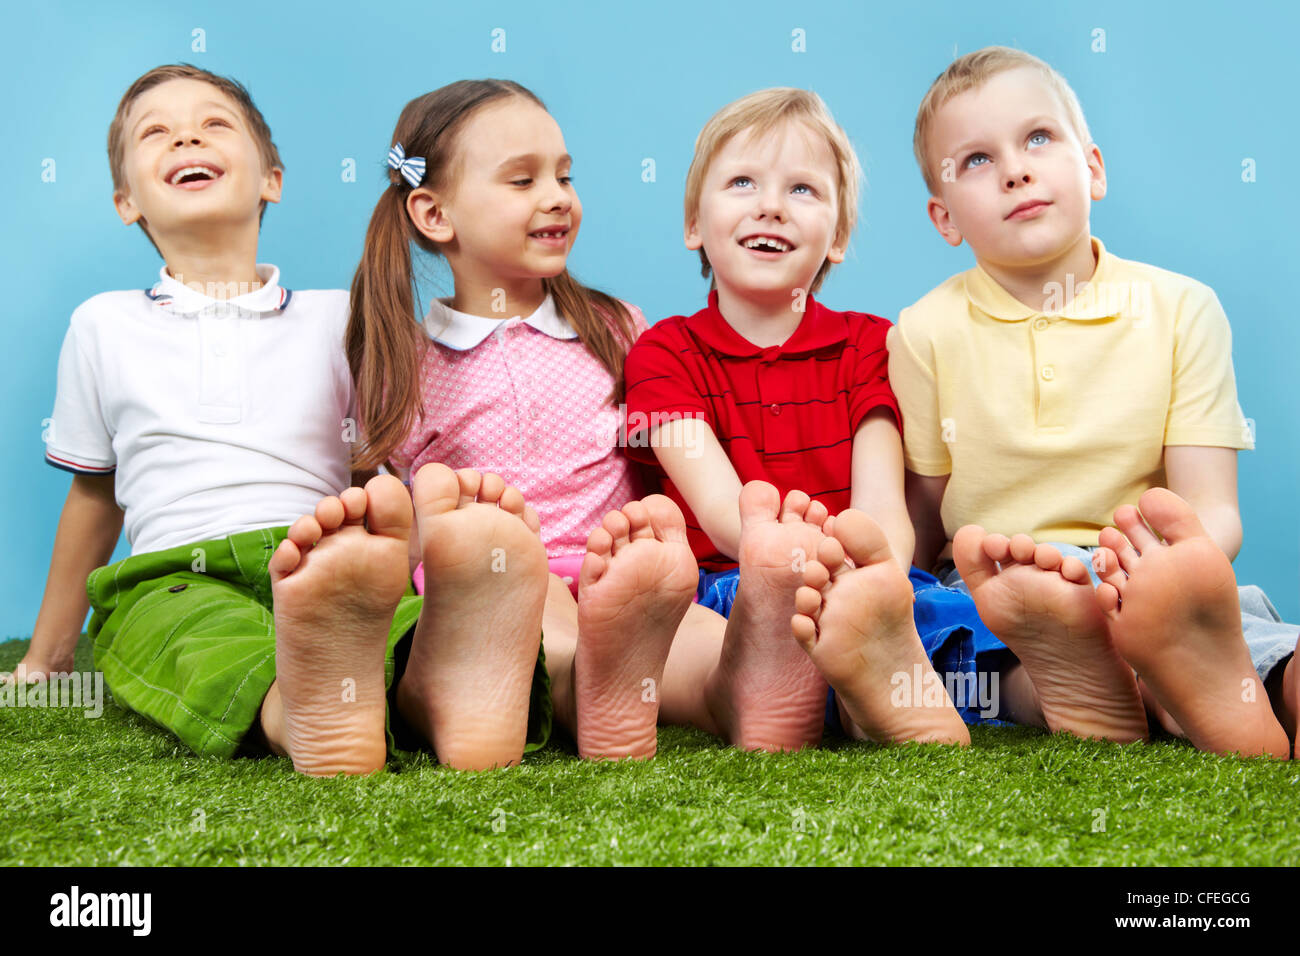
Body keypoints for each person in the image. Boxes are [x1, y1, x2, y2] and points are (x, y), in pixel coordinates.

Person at [10, 64, 547, 777]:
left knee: (406, 619)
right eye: (157, 133)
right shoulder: (102, 325)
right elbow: (95, 495)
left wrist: (415, 544)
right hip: (175, 576)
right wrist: (46, 658)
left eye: (213, 124)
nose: (186, 138)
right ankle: (300, 709)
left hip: (329, 556)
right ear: (125, 201)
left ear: (273, 179)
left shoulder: (340, 316)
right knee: (198, 638)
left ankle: (438, 688)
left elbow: (376, 468)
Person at [892, 46, 1297, 757]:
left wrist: (1160, 572)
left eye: (1038, 138)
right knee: (951, 642)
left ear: (1094, 169)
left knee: (1253, 634)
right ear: (944, 216)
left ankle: (1177, 675)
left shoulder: (1180, 308)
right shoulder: (924, 331)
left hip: (1151, 572)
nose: (1016, 169)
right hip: (1003, 583)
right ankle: (1108, 686)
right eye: (977, 161)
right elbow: (925, 512)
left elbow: (1213, 507)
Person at [624, 88, 973, 749]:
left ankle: (1024, 695)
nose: (771, 206)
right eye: (742, 182)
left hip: (861, 585)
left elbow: (882, 506)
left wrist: (873, 573)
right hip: (732, 585)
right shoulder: (664, 350)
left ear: (838, 237)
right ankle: (820, 691)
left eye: (803, 190)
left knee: (956, 624)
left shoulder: (872, 344)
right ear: (694, 224)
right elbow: (728, 514)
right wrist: (787, 563)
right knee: (676, 641)